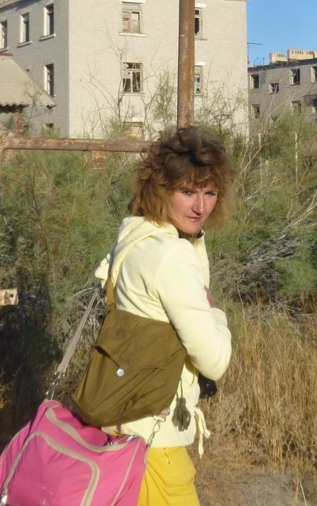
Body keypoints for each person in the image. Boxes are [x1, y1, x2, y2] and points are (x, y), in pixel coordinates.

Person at [93, 126, 235, 506]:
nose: (200, 207)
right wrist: (216, 312)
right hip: (156, 441)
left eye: (209, 193)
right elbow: (214, 361)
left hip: (121, 427)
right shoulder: (170, 255)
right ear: (160, 190)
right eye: (187, 192)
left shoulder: (135, 236)